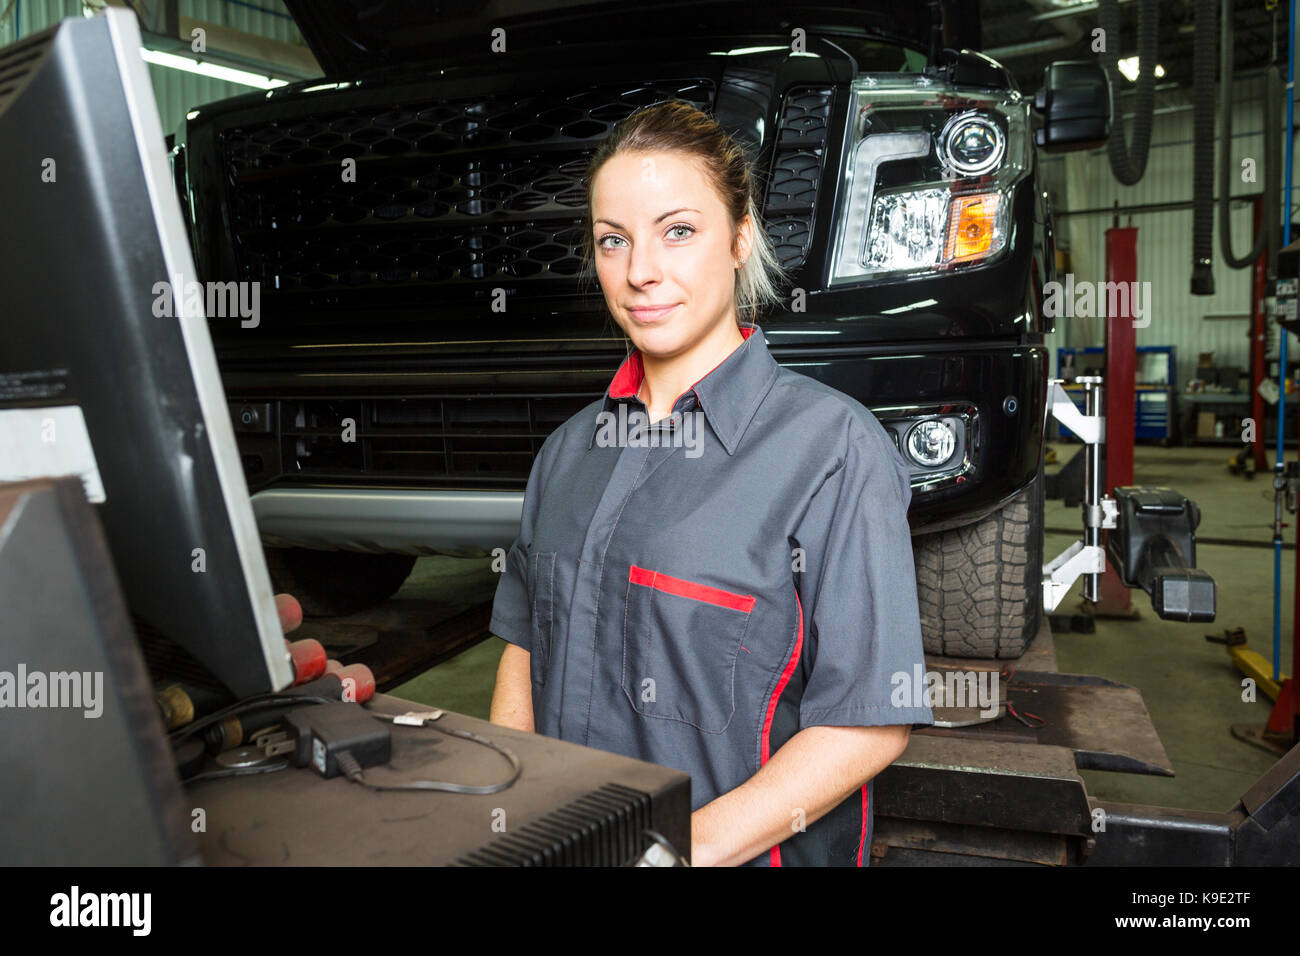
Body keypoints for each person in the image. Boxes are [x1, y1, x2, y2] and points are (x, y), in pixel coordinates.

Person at [486, 100, 933, 867]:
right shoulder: (565, 454)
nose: (640, 272)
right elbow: (524, 650)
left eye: (678, 231)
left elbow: (868, 720)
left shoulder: (831, 449)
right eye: (612, 241)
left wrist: (675, 855)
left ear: (741, 236)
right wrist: (514, 817)